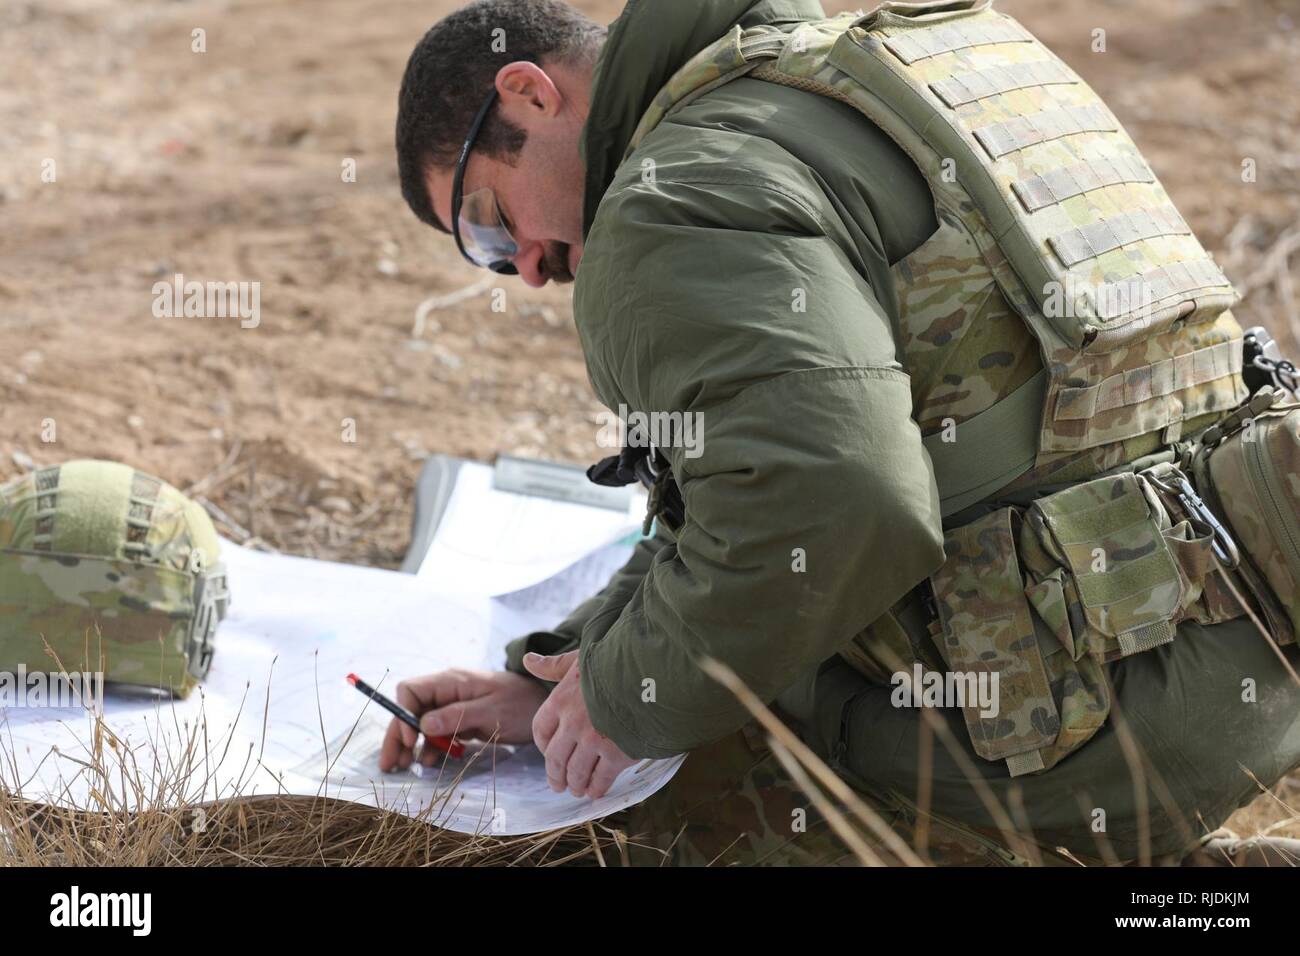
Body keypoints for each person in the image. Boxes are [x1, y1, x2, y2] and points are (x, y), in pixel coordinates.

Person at [383, 0, 1300, 865]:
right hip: (1248, 644)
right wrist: (563, 670)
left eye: (492, 226)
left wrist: (624, 699)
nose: (531, 272)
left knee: (642, 823)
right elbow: (746, 492)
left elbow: (835, 504)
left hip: (1084, 734)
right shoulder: (883, 66)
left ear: (530, 93)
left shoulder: (669, 198)